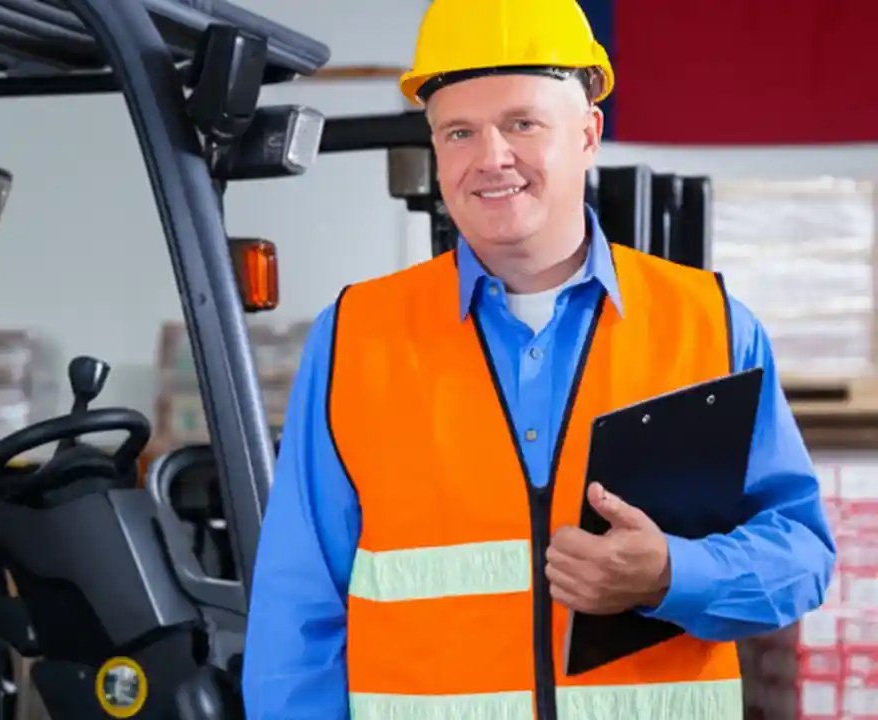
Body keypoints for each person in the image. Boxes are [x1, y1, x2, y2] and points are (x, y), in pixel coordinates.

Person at [239, 0, 837, 718]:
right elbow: (298, 615)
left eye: (522, 123)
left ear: (588, 134)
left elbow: (800, 557)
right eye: (459, 132)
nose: (491, 158)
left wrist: (672, 574)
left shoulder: (708, 326)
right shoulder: (356, 337)